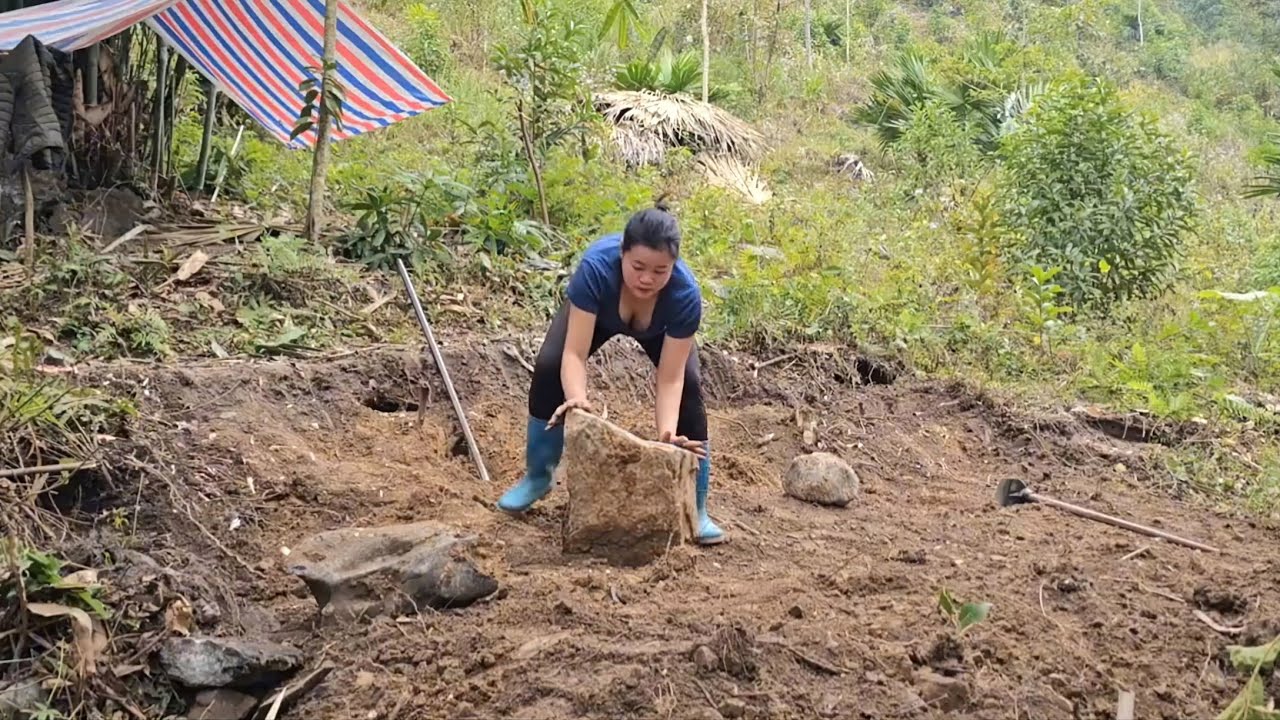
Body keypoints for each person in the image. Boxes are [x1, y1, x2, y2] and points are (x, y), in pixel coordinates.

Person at [496, 199, 726, 545]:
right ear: (622, 253)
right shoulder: (596, 270)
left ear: (674, 266)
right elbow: (574, 353)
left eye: (660, 271)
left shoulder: (684, 296)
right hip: (598, 315)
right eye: (638, 266)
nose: (647, 279)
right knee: (548, 366)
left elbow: (670, 377)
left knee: (691, 389)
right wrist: (577, 399)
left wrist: (665, 434)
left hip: (659, 329)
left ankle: (697, 505)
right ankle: (538, 476)